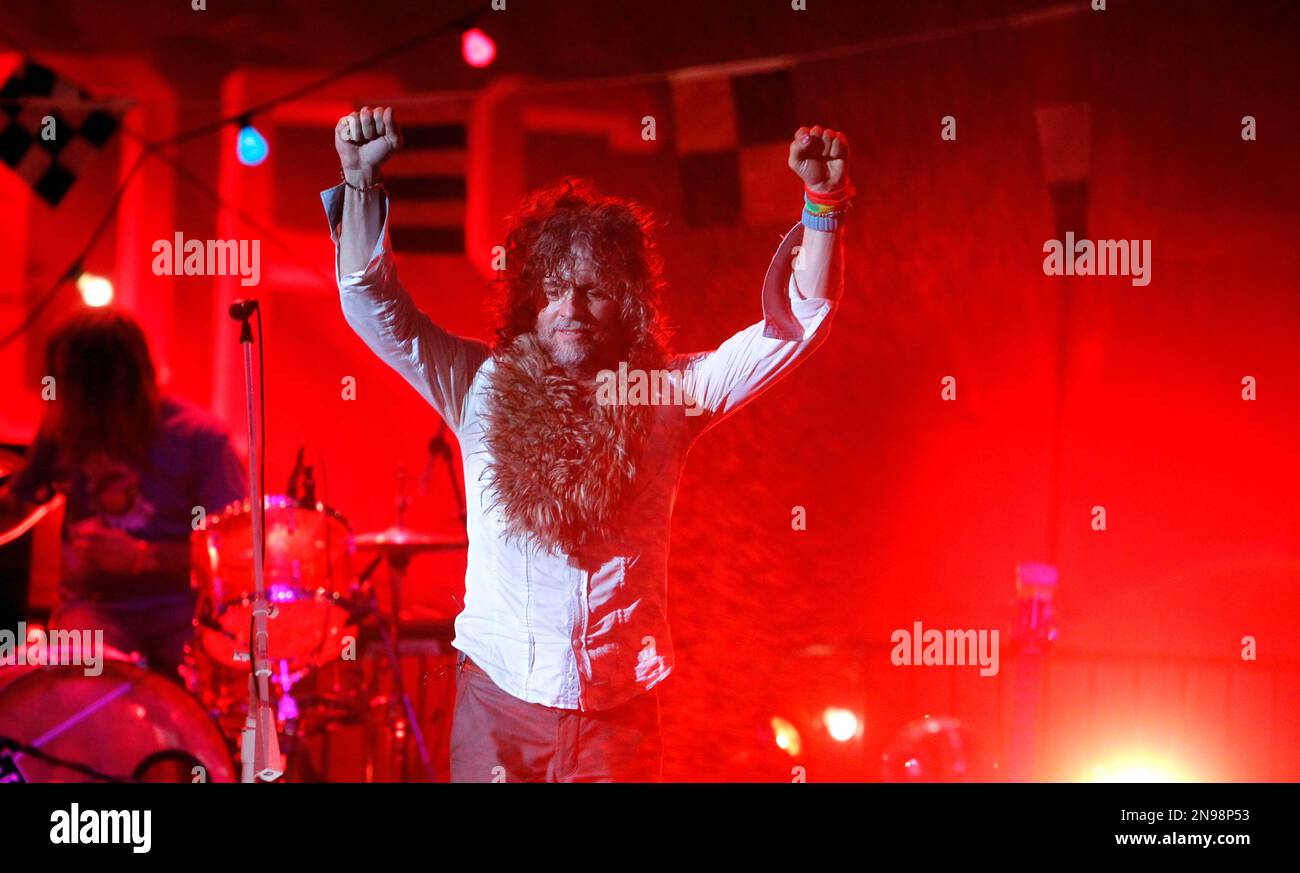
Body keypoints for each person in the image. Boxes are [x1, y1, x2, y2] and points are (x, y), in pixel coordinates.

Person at [325, 106, 850, 781]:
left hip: (618, 713)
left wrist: (824, 206)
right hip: (499, 704)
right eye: (551, 288)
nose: (569, 306)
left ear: (626, 301)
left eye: (592, 289)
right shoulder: (477, 384)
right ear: (526, 299)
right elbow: (371, 304)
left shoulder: (666, 393)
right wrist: (360, 188)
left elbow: (796, 325)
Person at [0, 308, 246, 676]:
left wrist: (143, 556)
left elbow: (233, 550)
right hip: (92, 611)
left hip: (182, 613)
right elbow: (16, 506)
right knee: (83, 689)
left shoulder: (200, 438)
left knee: (197, 703)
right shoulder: (63, 430)